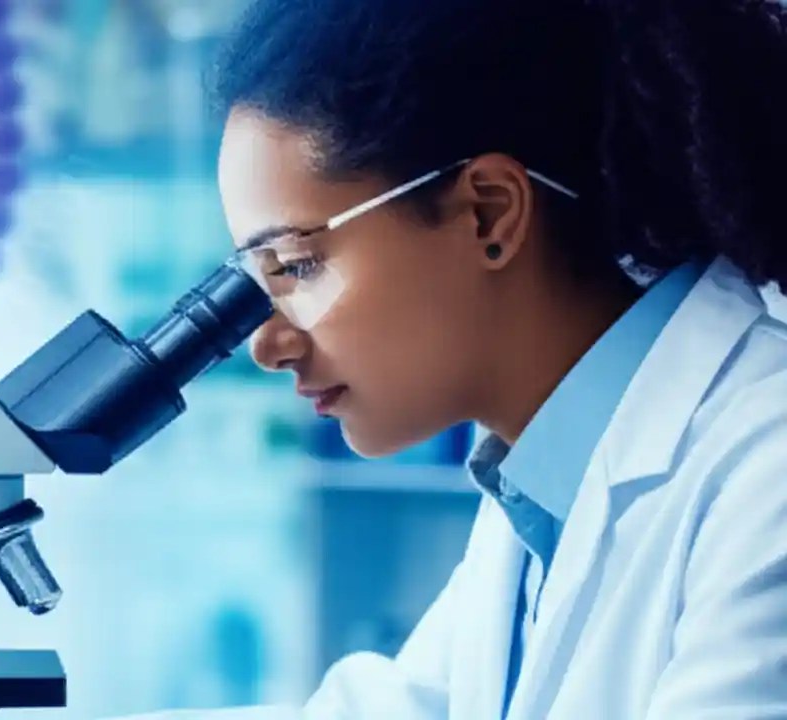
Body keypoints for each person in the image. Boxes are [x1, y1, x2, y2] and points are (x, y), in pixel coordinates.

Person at [123, 0, 787, 718]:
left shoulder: (764, 475)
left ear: (489, 213)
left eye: (299, 266)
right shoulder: (545, 486)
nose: (268, 343)